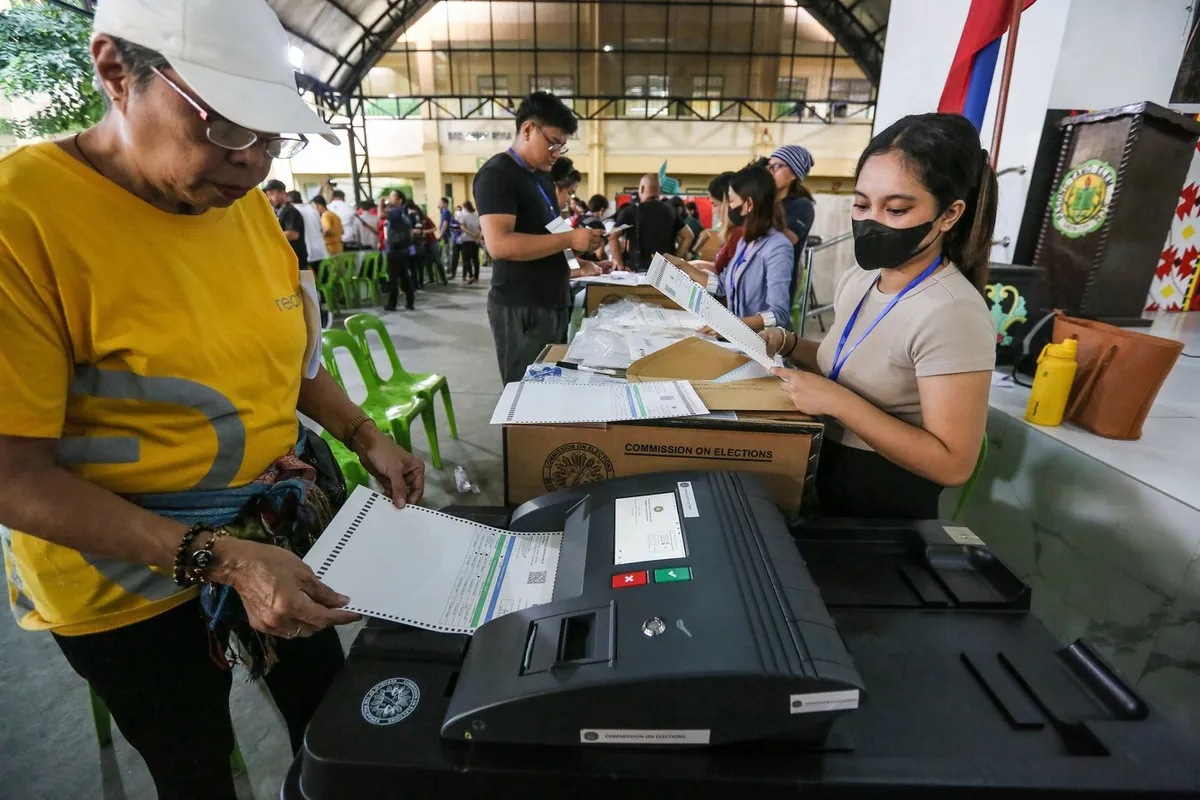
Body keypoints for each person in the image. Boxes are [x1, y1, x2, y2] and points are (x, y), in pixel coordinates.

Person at [0, 1, 427, 798]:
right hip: (126, 587)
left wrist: (366, 433)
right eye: (229, 127)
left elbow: (292, 363)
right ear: (115, 71)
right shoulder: (22, 222)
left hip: (273, 534)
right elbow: (13, 477)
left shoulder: (246, 213)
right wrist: (221, 558)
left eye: (272, 139)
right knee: (193, 763)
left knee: (333, 726)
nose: (254, 163)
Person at [762, 112, 998, 520]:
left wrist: (838, 403)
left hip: (880, 506)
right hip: (825, 478)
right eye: (861, 204)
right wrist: (790, 343)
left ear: (949, 214)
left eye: (897, 210)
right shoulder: (861, 279)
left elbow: (954, 464)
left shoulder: (952, 312)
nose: (872, 222)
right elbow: (856, 360)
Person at [474, 91, 605, 383]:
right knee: (527, 396)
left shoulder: (541, 178)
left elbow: (553, 230)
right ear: (528, 129)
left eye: (562, 146)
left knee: (550, 390)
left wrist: (578, 264)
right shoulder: (497, 175)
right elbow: (500, 245)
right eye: (553, 143)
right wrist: (571, 239)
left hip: (551, 302)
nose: (556, 153)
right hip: (522, 307)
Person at [710, 166, 794, 332]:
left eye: (732, 201)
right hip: (737, 337)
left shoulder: (778, 247)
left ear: (748, 204)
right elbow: (722, 285)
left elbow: (778, 314)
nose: (729, 208)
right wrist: (685, 270)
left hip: (760, 344)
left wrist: (731, 325)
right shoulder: (745, 241)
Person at [609, 173, 694, 272]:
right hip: (664, 271)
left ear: (641, 188)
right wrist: (675, 260)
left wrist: (620, 265)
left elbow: (612, 236)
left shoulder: (630, 212)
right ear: (659, 190)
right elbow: (689, 236)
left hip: (636, 270)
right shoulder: (671, 212)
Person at [767, 145, 817, 300]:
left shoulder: (802, 206)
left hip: (778, 285)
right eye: (769, 166)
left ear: (794, 174)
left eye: (777, 166)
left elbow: (785, 240)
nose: (770, 171)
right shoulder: (766, 202)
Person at [383, 189, 416, 311]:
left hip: (395, 250)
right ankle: (410, 301)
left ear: (399, 200)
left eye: (392, 197)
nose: (389, 198)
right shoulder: (404, 213)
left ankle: (392, 303)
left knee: (393, 277)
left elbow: (381, 215)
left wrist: (380, 204)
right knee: (404, 276)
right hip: (403, 249)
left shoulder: (396, 212)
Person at [264, 179, 306, 270]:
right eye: (268, 195)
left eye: (271, 194)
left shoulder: (290, 211)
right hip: (286, 260)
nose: (269, 198)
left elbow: (292, 234)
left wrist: (268, 237)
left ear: (282, 193)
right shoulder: (280, 211)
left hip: (296, 260)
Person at [288, 190, 327, 268]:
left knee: (310, 279)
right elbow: (321, 228)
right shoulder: (313, 209)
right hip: (320, 250)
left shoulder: (293, 211)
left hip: (307, 252)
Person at [459, 200, 482, 284]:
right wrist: (478, 237)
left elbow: (463, 228)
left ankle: (471, 275)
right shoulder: (477, 215)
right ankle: (476, 276)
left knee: (467, 259)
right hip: (475, 241)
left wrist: (472, 234)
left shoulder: (463, 215)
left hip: (466, 240)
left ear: (464, 207)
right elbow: (481, 228)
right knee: (475, 259)